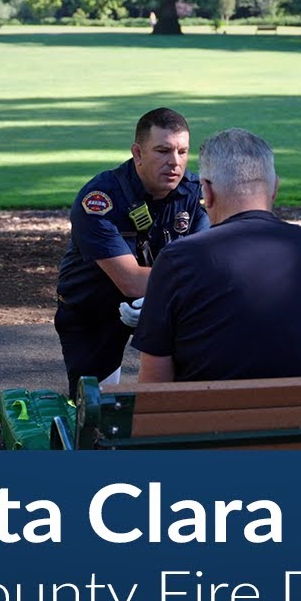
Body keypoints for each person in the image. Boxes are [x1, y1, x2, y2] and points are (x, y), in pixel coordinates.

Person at [131, 129, 301, 382]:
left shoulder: (179, 259)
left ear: (206, 191)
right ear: (274, 188)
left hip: (213, 419)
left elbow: (154, 387)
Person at [54, 108, 208, 396]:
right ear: (137, 153)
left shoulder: (195, 193)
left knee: (185, 397)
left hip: (165, 306)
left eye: (182, 151)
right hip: (94, 311)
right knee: (95, 407)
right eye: (162, 151)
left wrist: (164, 301)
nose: (174, 162)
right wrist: (189, 281)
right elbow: (132, 282)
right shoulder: (100, 199)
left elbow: (209, 262)